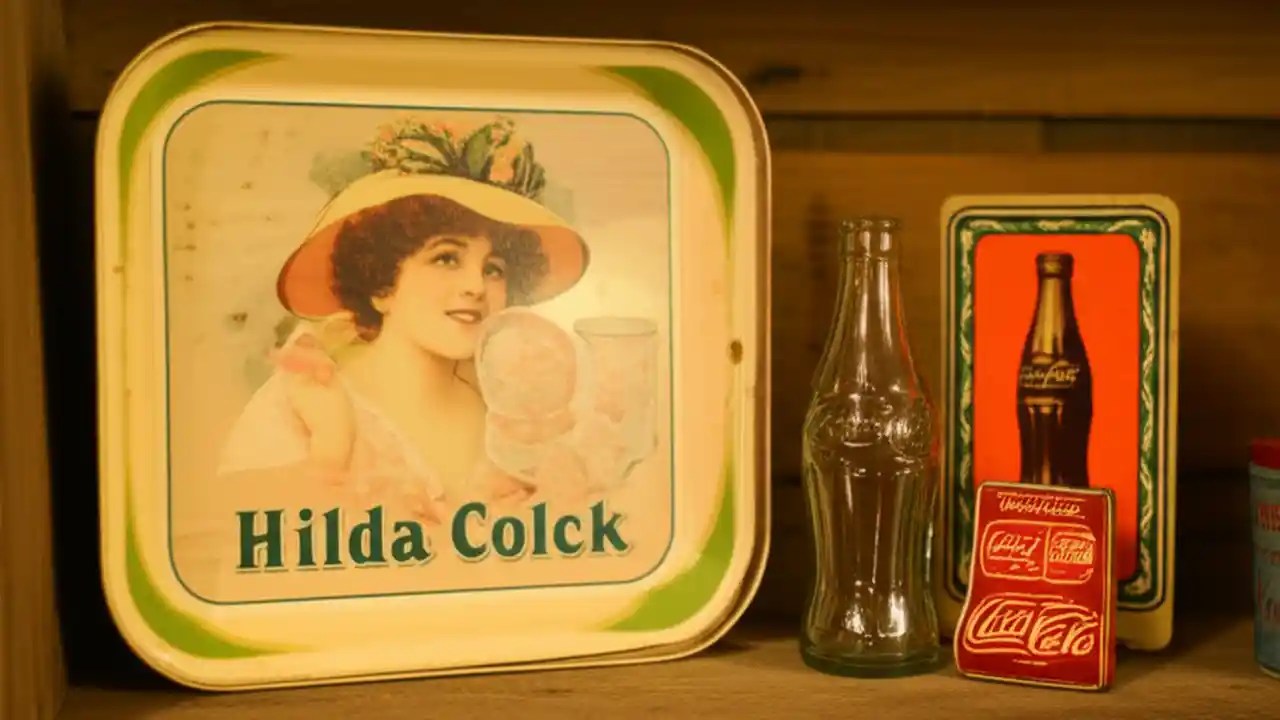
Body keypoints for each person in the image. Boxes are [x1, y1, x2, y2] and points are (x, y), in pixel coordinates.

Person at [217, 123, 589, 525]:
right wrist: (332, 452)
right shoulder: (306, 402)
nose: (475, 286)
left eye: (494, 269)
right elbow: (244, 549)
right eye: (446, 258)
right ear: (382, 284)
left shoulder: (520, 412)